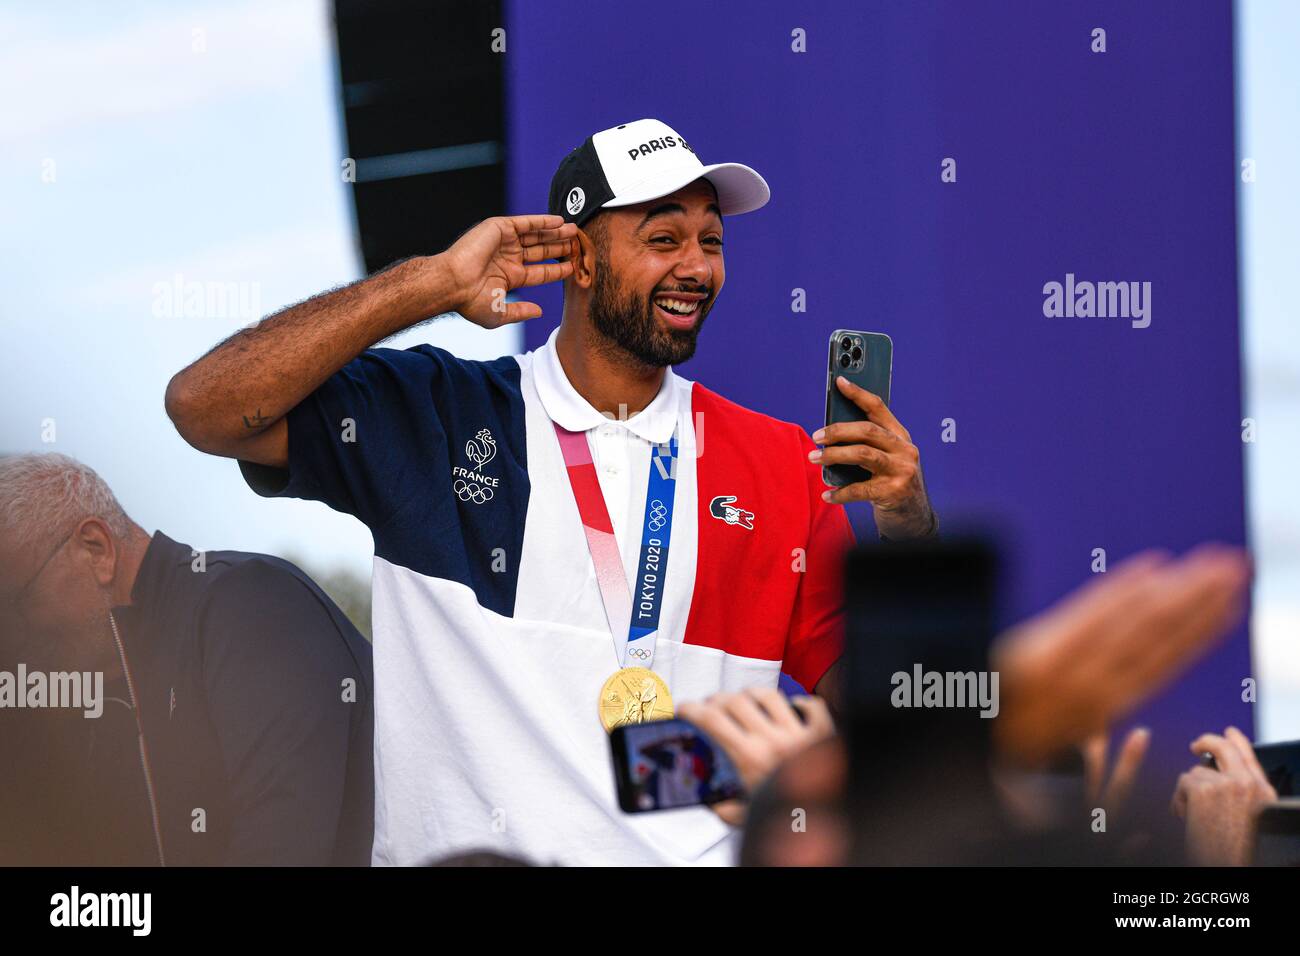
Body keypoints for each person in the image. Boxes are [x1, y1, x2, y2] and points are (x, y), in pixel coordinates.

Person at [164, 117, 937, 865]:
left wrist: (908, 525)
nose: (697, 268)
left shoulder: (781, 464)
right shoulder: (436, 415)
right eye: (664, 239)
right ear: (582, 259)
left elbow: (905, 718)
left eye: (711, 242)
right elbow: (207, 406)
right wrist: (432, 282)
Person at [0, 453, 373, 866]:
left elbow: (282, 848)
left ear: (96, 549)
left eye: (11, 604)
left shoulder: (251, 606)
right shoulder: (86, 693)